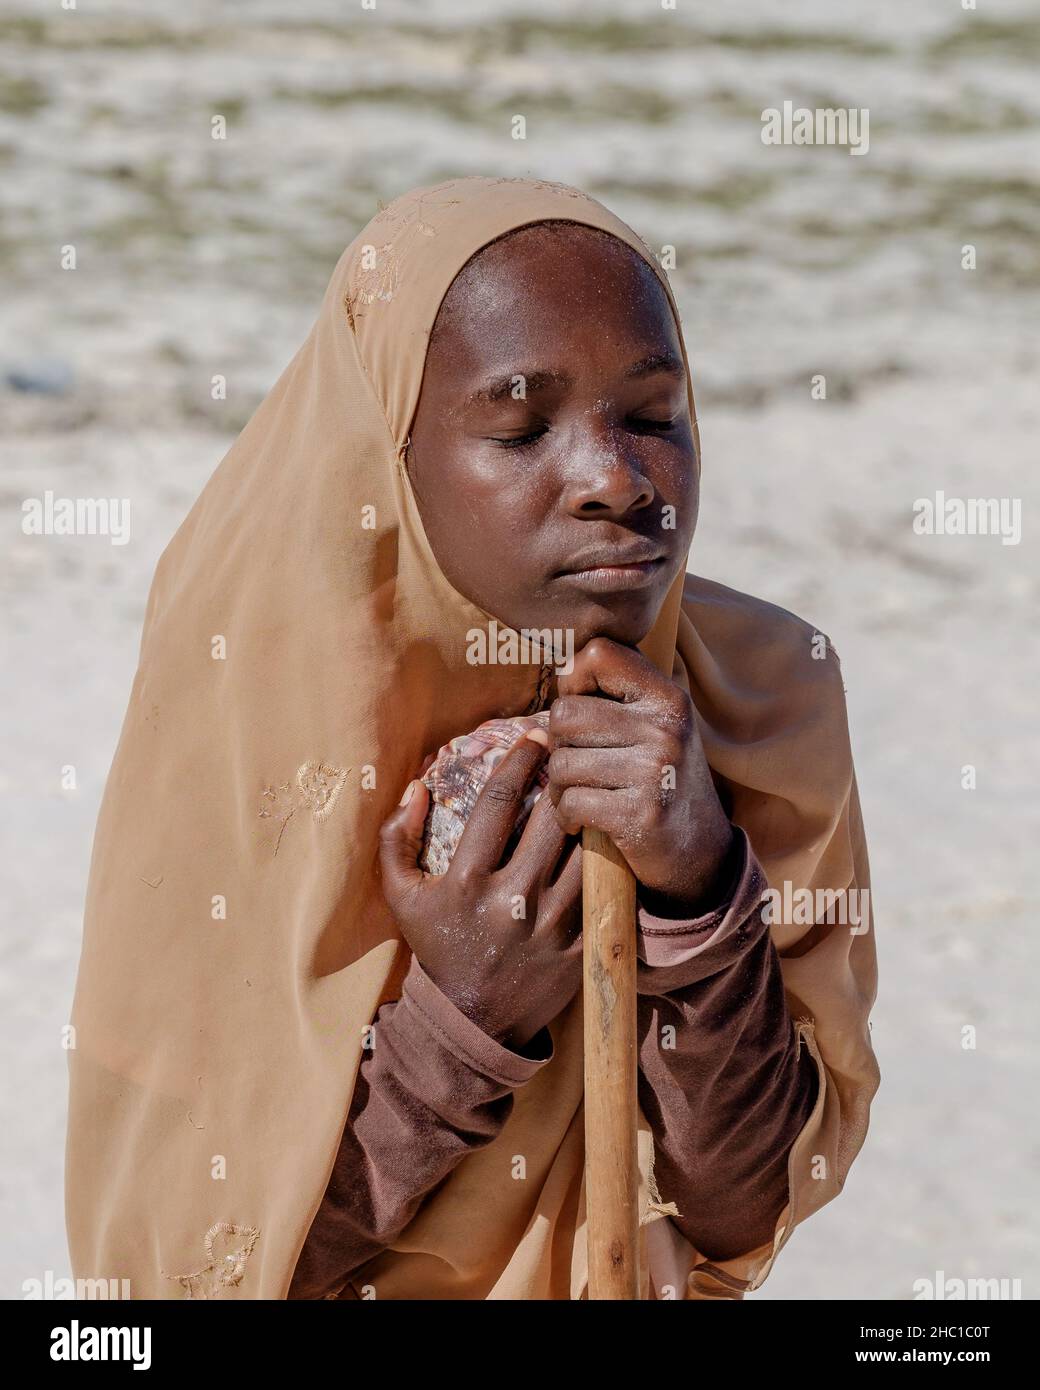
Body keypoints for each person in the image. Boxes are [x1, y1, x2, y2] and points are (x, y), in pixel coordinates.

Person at [65, 176, 880, 1301]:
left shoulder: (760, 694)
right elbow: (184, 1279)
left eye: (652, 417)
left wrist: (698, 889)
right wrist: (464, 1022)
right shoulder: (252, 707)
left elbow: (744, 1213)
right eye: (517, 425)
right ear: (387, 461)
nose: (612, 478)